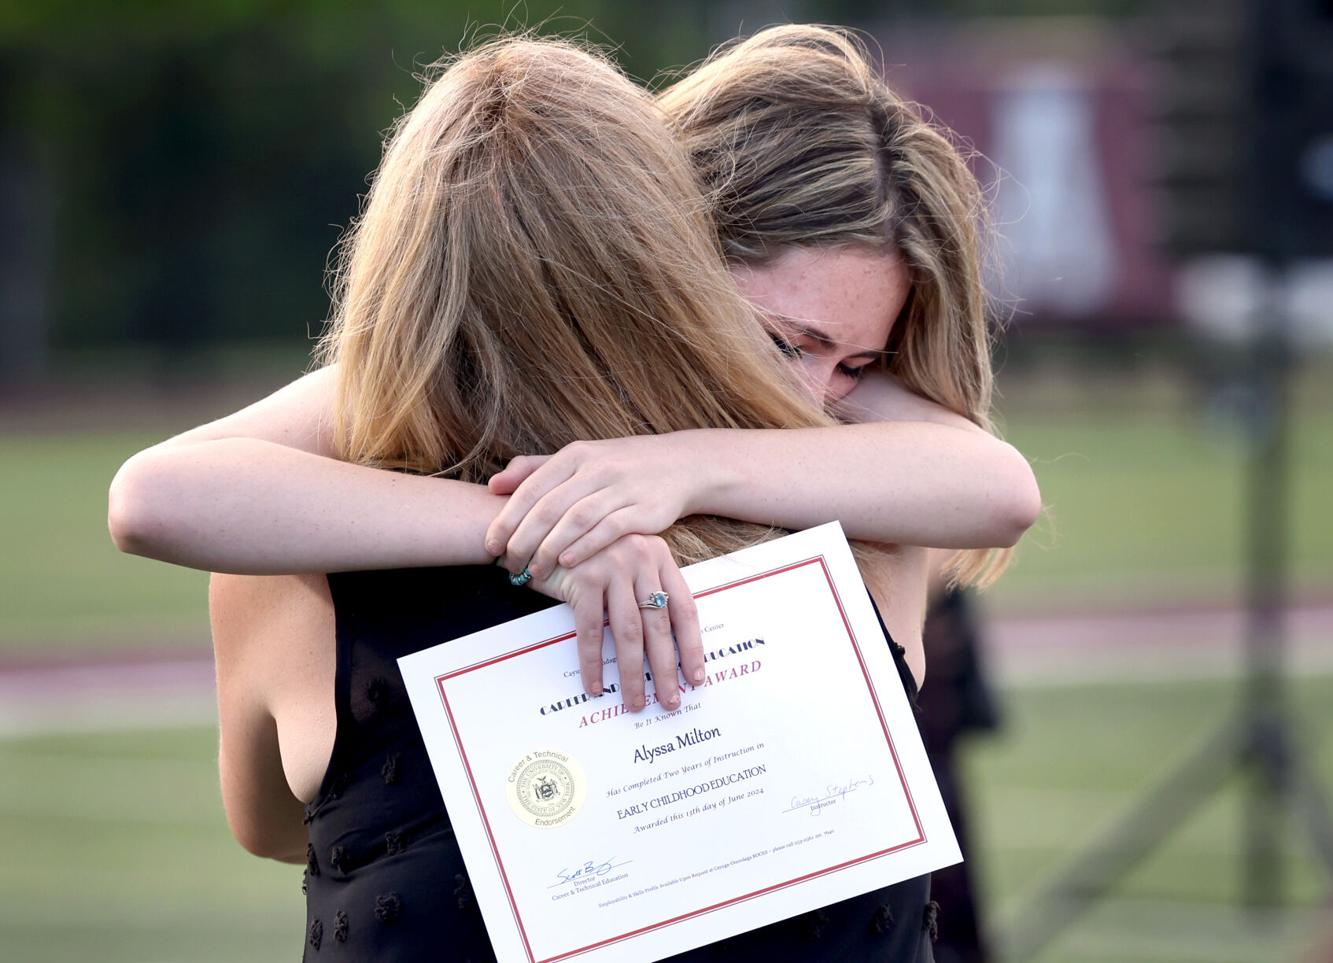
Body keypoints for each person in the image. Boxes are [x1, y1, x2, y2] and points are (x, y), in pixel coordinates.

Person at [106, 27, 1038, 962]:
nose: (811, 398)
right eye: (780, 342)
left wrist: (686, 463)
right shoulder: (396, 442)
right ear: (657, 259)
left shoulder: (863, 499)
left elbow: (997, 486)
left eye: (860, 365)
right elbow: (158, 493)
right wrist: (542, 527)